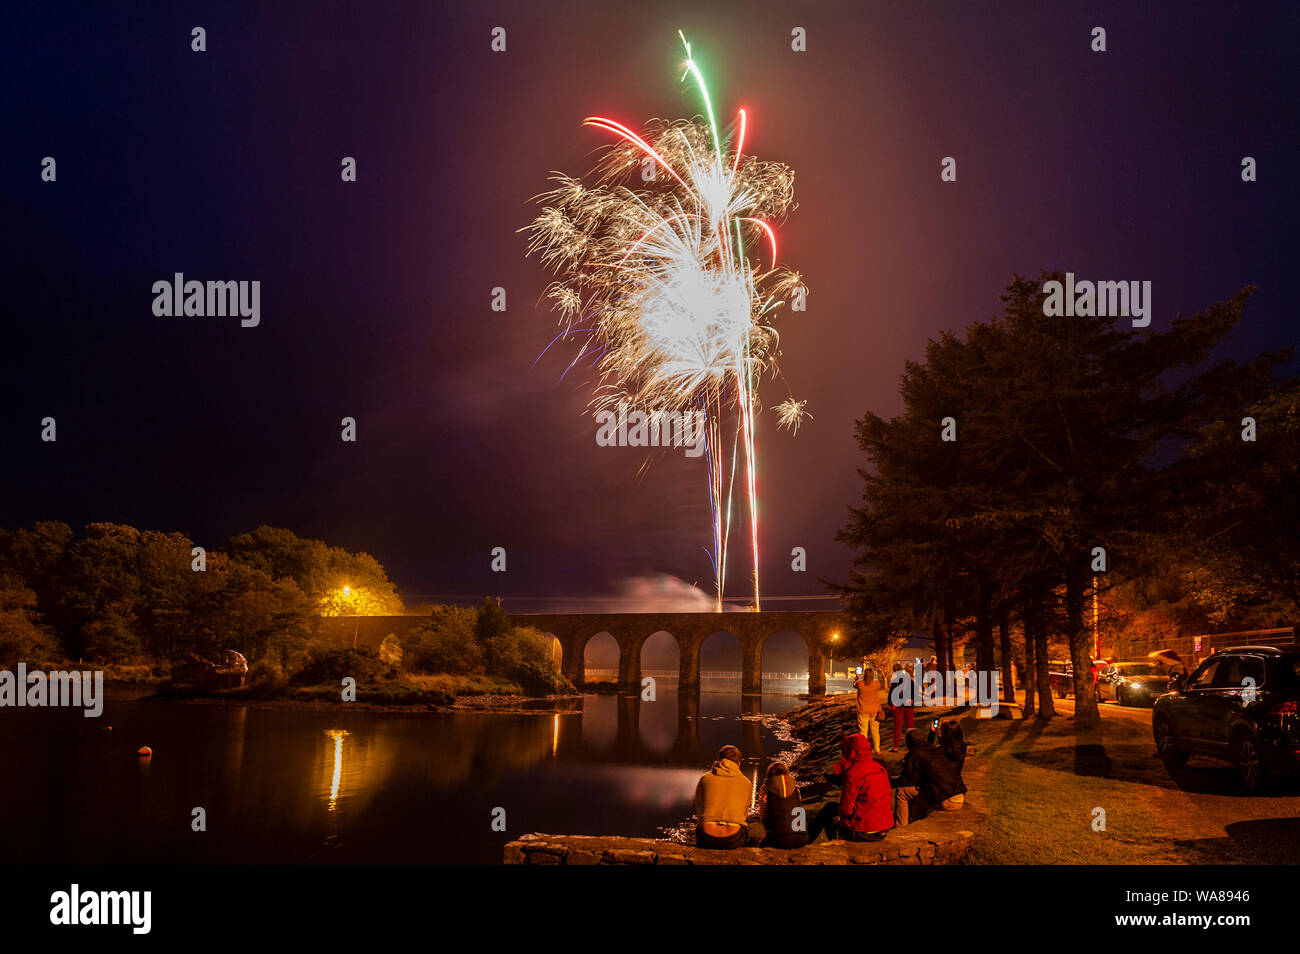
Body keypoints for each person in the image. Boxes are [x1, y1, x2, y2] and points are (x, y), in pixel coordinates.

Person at [808, 733, 893, 842]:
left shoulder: (854, 773)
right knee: (831, 807)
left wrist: (842, 822)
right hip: (883, 826)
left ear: (850, 750)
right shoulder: (880, 768)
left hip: (864, 830)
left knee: (829, 811)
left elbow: (846, 808)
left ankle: (810, 840)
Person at [894, 728, 966, 826]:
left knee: (902, 792)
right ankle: (916, 822)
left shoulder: (915, 753)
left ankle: (901, 826)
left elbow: (907, 780)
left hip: (946, 799)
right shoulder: (934, 749)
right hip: (958, 796)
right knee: (920, 794)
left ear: (909, 742)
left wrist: (889, 781)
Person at [695, 745, 752, 849]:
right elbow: (744, 812)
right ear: (739, 764)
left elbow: (699, 809)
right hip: (734, 838)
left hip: (707, 837)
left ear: (718, 761)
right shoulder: (747, 783)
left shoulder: (705, 779)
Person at [757, 762, 807, 849]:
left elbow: (763, 815)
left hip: (778, 840)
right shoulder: (795, 788)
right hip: (801, 838)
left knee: (759, 843)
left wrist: (767, 833)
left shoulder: (765, 788)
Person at [854, 664, 883, 753]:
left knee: (863, 732)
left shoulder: (860, 684)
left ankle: (863, 750)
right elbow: (880, 686)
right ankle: (877, 749)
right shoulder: (876, 684)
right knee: (875, 731)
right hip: (874, 710)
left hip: (863, 711)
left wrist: (857, 677)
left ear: (864, 675)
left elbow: (854, 684)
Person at [889, 663, 915, 751]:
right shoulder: (910, 681)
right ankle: (912, 746)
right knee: (910, 726)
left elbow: (891, 693)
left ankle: (895, 746)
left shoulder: (895, 680)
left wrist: (890, 703)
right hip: (909, 705)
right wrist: (912, 700)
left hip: (899, 705)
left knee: (898, 727)